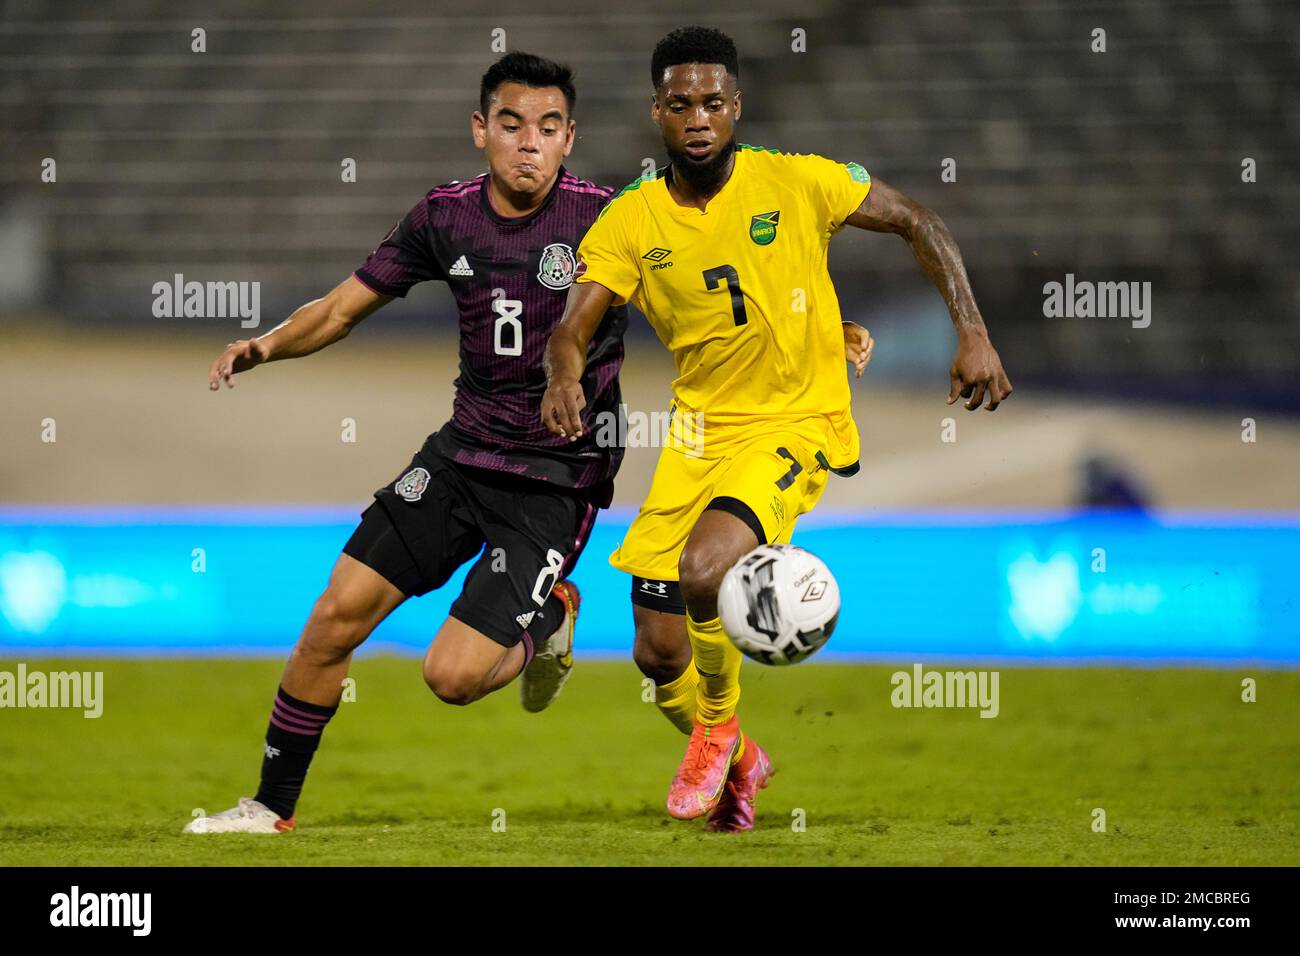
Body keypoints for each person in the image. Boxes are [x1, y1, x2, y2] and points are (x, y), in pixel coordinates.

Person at [542, 26, 1013, 832]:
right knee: (657, 654)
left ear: (737, 108)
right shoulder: (631, 220)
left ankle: (719, 728)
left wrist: (972, 331)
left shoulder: (800, 182)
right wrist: (560, 374)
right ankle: (742, 762)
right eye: (682, 103)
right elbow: (571, 328)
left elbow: (921, 221)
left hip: (796, 423)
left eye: (714, 102)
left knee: (705, 569)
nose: (699, 117)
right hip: (697, 436)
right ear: (659, 111)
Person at [186, 52, 626, 834]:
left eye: (549, 128)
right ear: (480, 129)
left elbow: (707, 292)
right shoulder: (442, 216)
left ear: (569, 139)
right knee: (332, 619)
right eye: (513, 124)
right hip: (460, 457)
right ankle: (269, 808)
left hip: (555, 478)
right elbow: (340, 309)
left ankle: (547, 620)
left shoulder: (613, 215)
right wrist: (265, 345)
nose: (529, 144)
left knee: (451, 678)